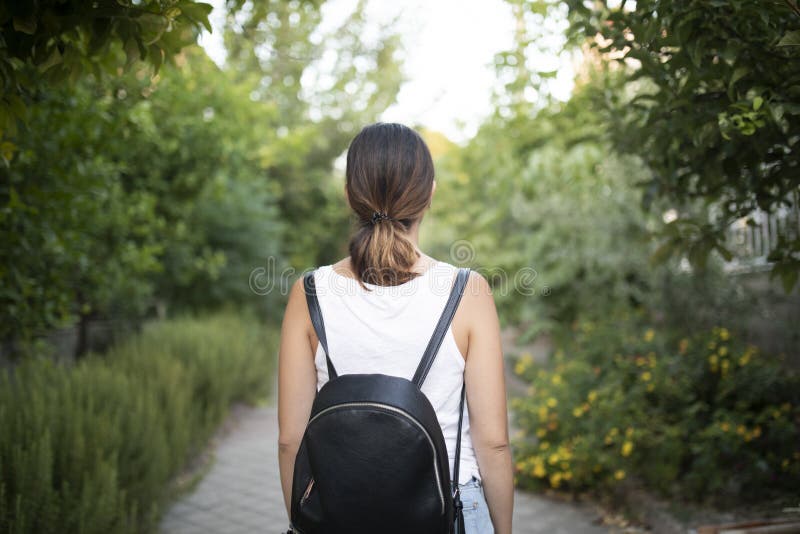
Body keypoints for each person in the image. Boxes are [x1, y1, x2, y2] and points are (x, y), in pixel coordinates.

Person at [277, 122, 514, 534]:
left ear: (350, 195)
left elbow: (289, 441)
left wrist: (303, 523)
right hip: (450, 509)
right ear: (430, 194)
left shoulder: (310, 293)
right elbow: (492, 441)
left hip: (342, 509)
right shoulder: (467, 293)